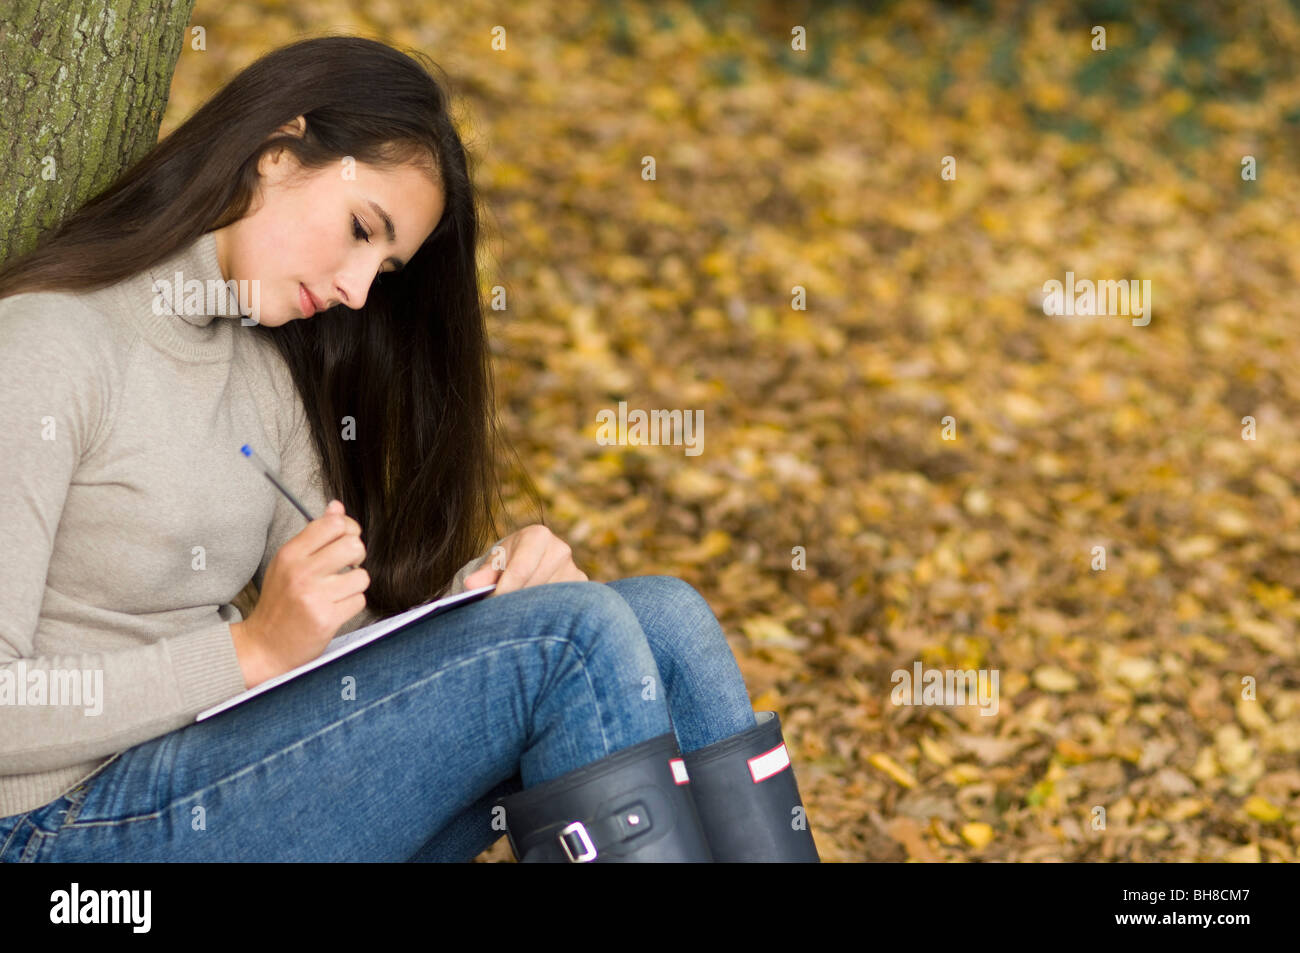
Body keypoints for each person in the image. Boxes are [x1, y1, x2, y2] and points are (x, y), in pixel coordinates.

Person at [0, 35, 819, 863]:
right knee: (570, 643)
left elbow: (356, 661)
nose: (356, 291)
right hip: (56, 833)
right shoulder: (47, 345)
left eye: (383, 268)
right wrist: (246, 651)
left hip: (208, 778)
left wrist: (487, 601)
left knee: (661, 620)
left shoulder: (262, 374)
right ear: (277, 151)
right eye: (360, 229)